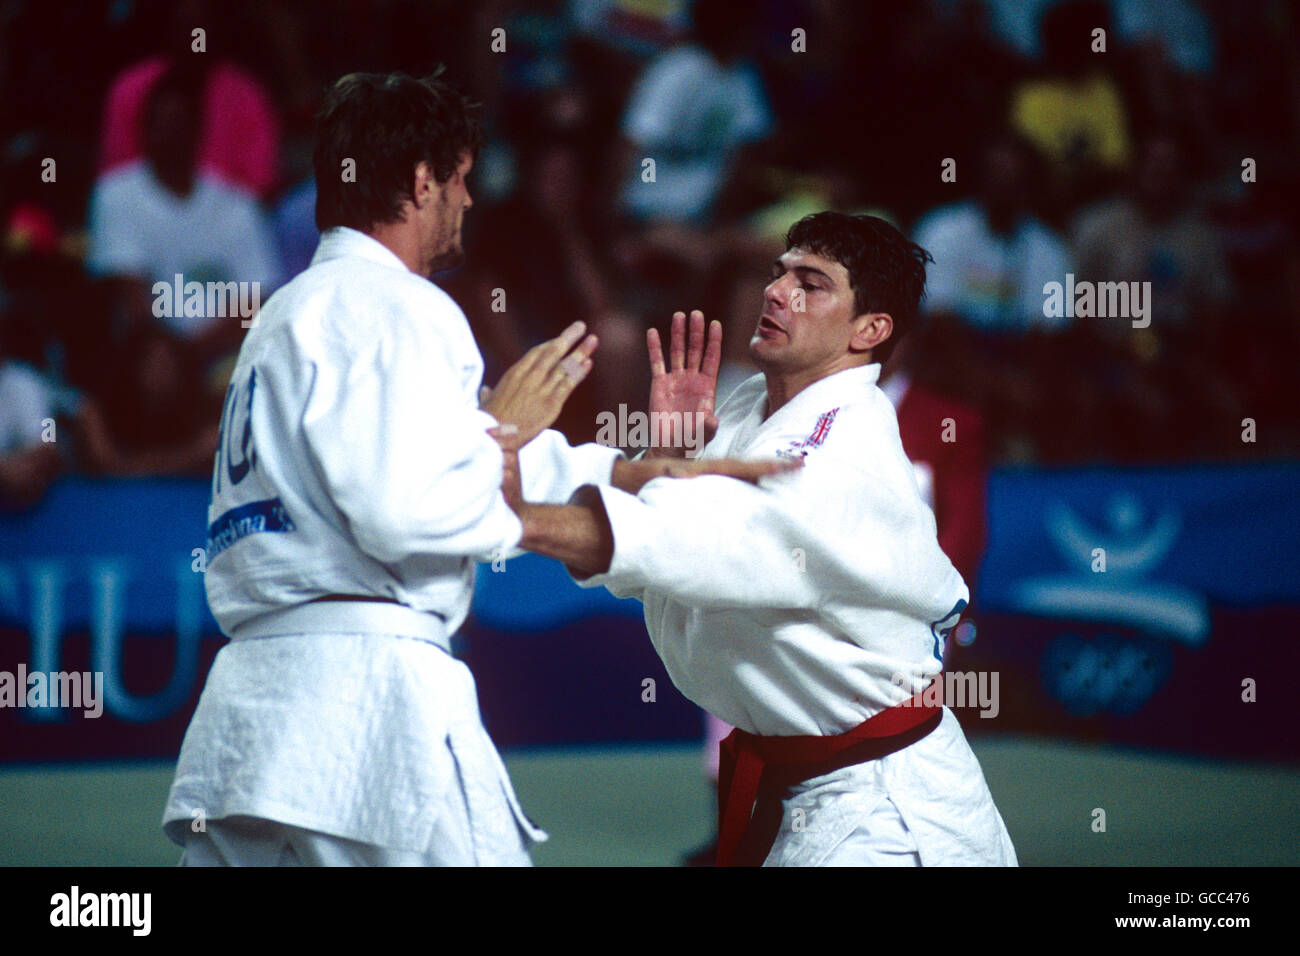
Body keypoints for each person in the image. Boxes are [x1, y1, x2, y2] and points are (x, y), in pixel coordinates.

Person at [162, 70, 781, 867]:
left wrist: (638, 472)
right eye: (458, 179)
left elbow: (425, 465)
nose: (469, 200)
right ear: (421, 181)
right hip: (367, 704)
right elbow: (406, 508)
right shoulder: (402, 308)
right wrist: (504, 441)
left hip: (255, 715)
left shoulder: (289, 313)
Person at [499, 212, 1018, 866]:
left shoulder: (840, 449)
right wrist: (671, 454)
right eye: (778, 273)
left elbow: (701, 540)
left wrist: (509, 514)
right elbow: (669, 556)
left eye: (812, 283)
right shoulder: (750, 407)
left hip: (886, 815)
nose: (776, 292)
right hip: (809, 787)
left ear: (871, 330)